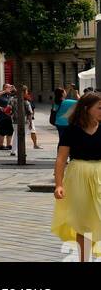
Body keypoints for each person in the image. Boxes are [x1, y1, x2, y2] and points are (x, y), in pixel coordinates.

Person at [51, 91, 101, 261]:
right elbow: (61, 159)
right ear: (87, 109)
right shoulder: (72, 130)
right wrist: (59, 185)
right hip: (78, 176)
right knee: (83, 222)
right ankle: (84, 259)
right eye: (100, 108)